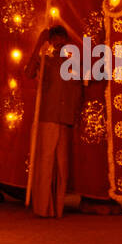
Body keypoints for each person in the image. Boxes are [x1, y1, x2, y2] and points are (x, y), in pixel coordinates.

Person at [26, 26, 82, 217]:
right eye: (55, 39)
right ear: (50, 41)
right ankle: (42, 208)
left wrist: (75, 117)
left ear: (67, 40)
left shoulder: (74, 64)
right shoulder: (45, 61)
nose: (58, 42)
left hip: (65, 119)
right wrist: (38, 45)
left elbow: (78, 92)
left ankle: (57, 208)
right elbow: (28, 73)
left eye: (61, 38)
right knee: (45, 162)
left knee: (62, 166)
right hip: (47, 118)